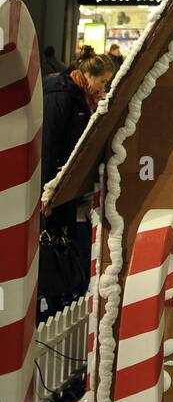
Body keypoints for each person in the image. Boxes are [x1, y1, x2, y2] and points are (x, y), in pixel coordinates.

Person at [38, 52, 116, 316]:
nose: (102, 88)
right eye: (101, 82)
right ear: (87, 74)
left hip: (64, 188)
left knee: (64, 242)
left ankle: (59, 298)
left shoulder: (81, 99)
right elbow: (46, 148)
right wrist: (46, 194)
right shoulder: (60, 96)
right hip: (52, 187)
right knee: (52, 242)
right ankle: (49, 300)